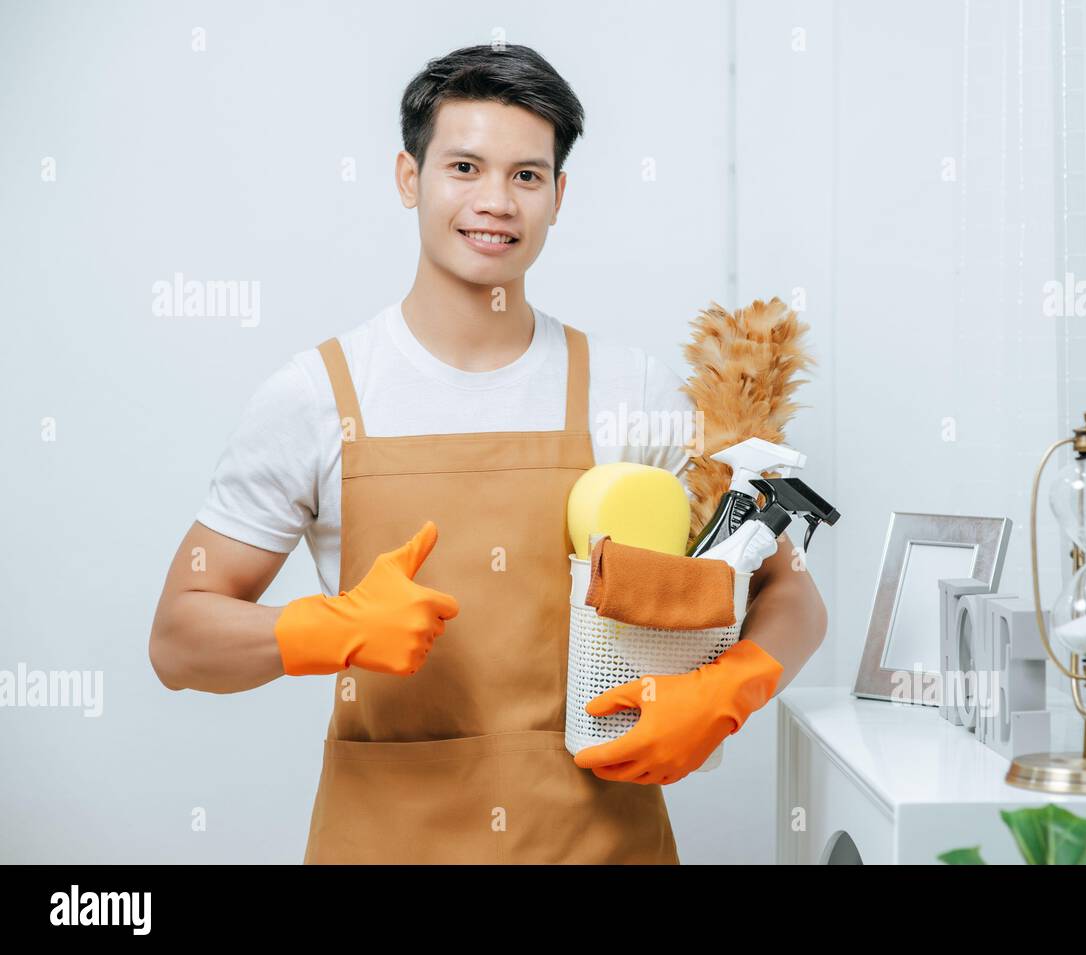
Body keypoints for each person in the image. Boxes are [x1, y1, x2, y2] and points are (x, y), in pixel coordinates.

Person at [148, 43, 828, 864]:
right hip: (387, 843)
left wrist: (729, 688)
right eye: (464, 167)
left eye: (527, 175)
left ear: (558, 195)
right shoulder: (317, 396)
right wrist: (323, 630)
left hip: (599, 842)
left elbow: (793, 596)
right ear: (410, 178)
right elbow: (179, 639)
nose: (495, 202)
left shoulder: (630, 388)